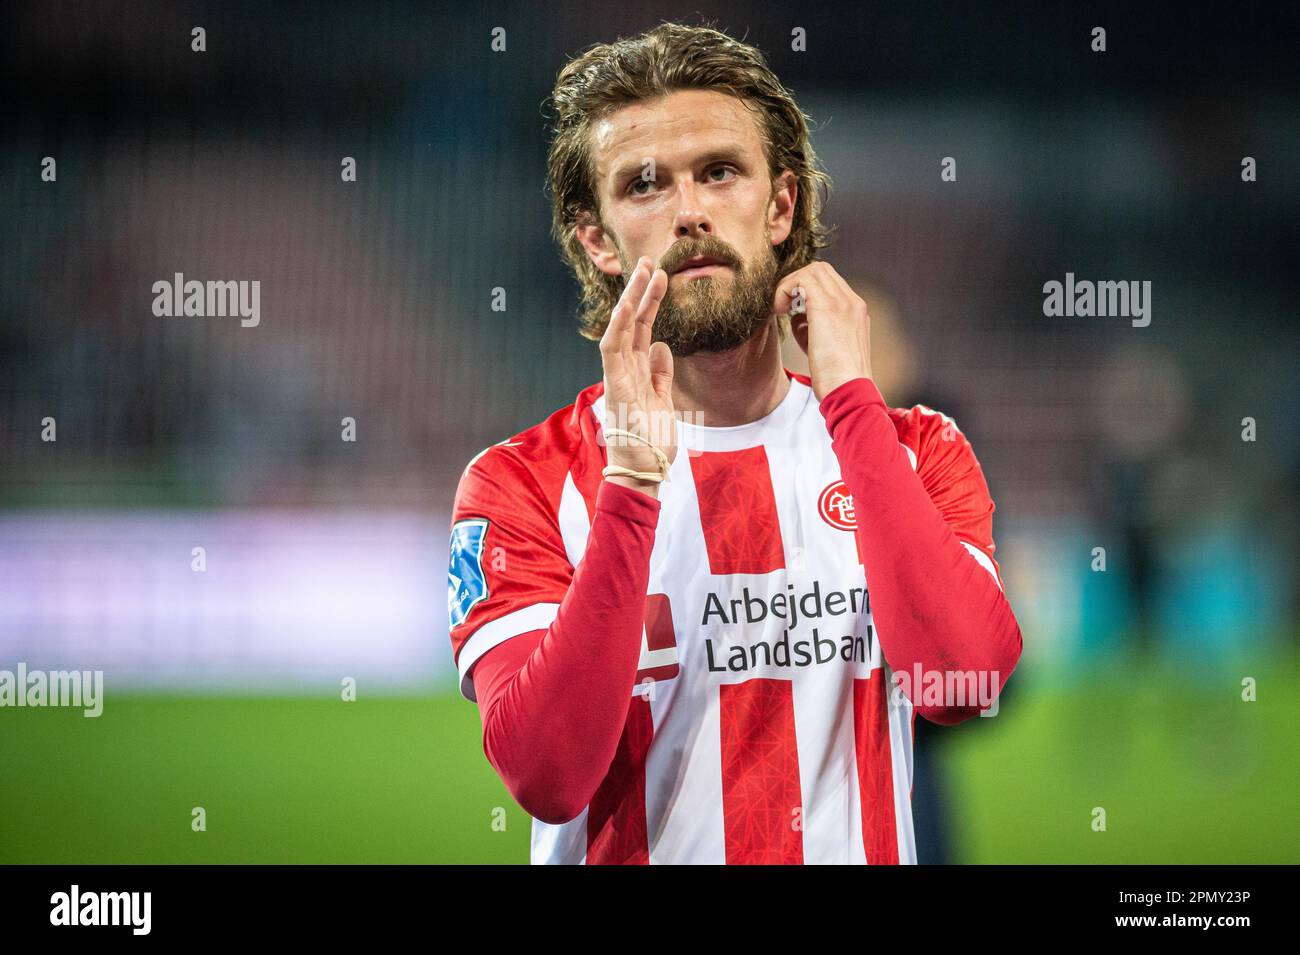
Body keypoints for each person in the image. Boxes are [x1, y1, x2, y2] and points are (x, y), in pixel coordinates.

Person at [446, 22, 1022, 864]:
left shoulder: (913, 447)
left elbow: (961, 685)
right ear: (597, 240)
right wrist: (633, 484)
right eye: (645, 185)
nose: (690, 212)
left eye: (720, 172)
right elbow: (548, 772)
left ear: (781, 206)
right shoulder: (520, 484)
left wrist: (854, 407)